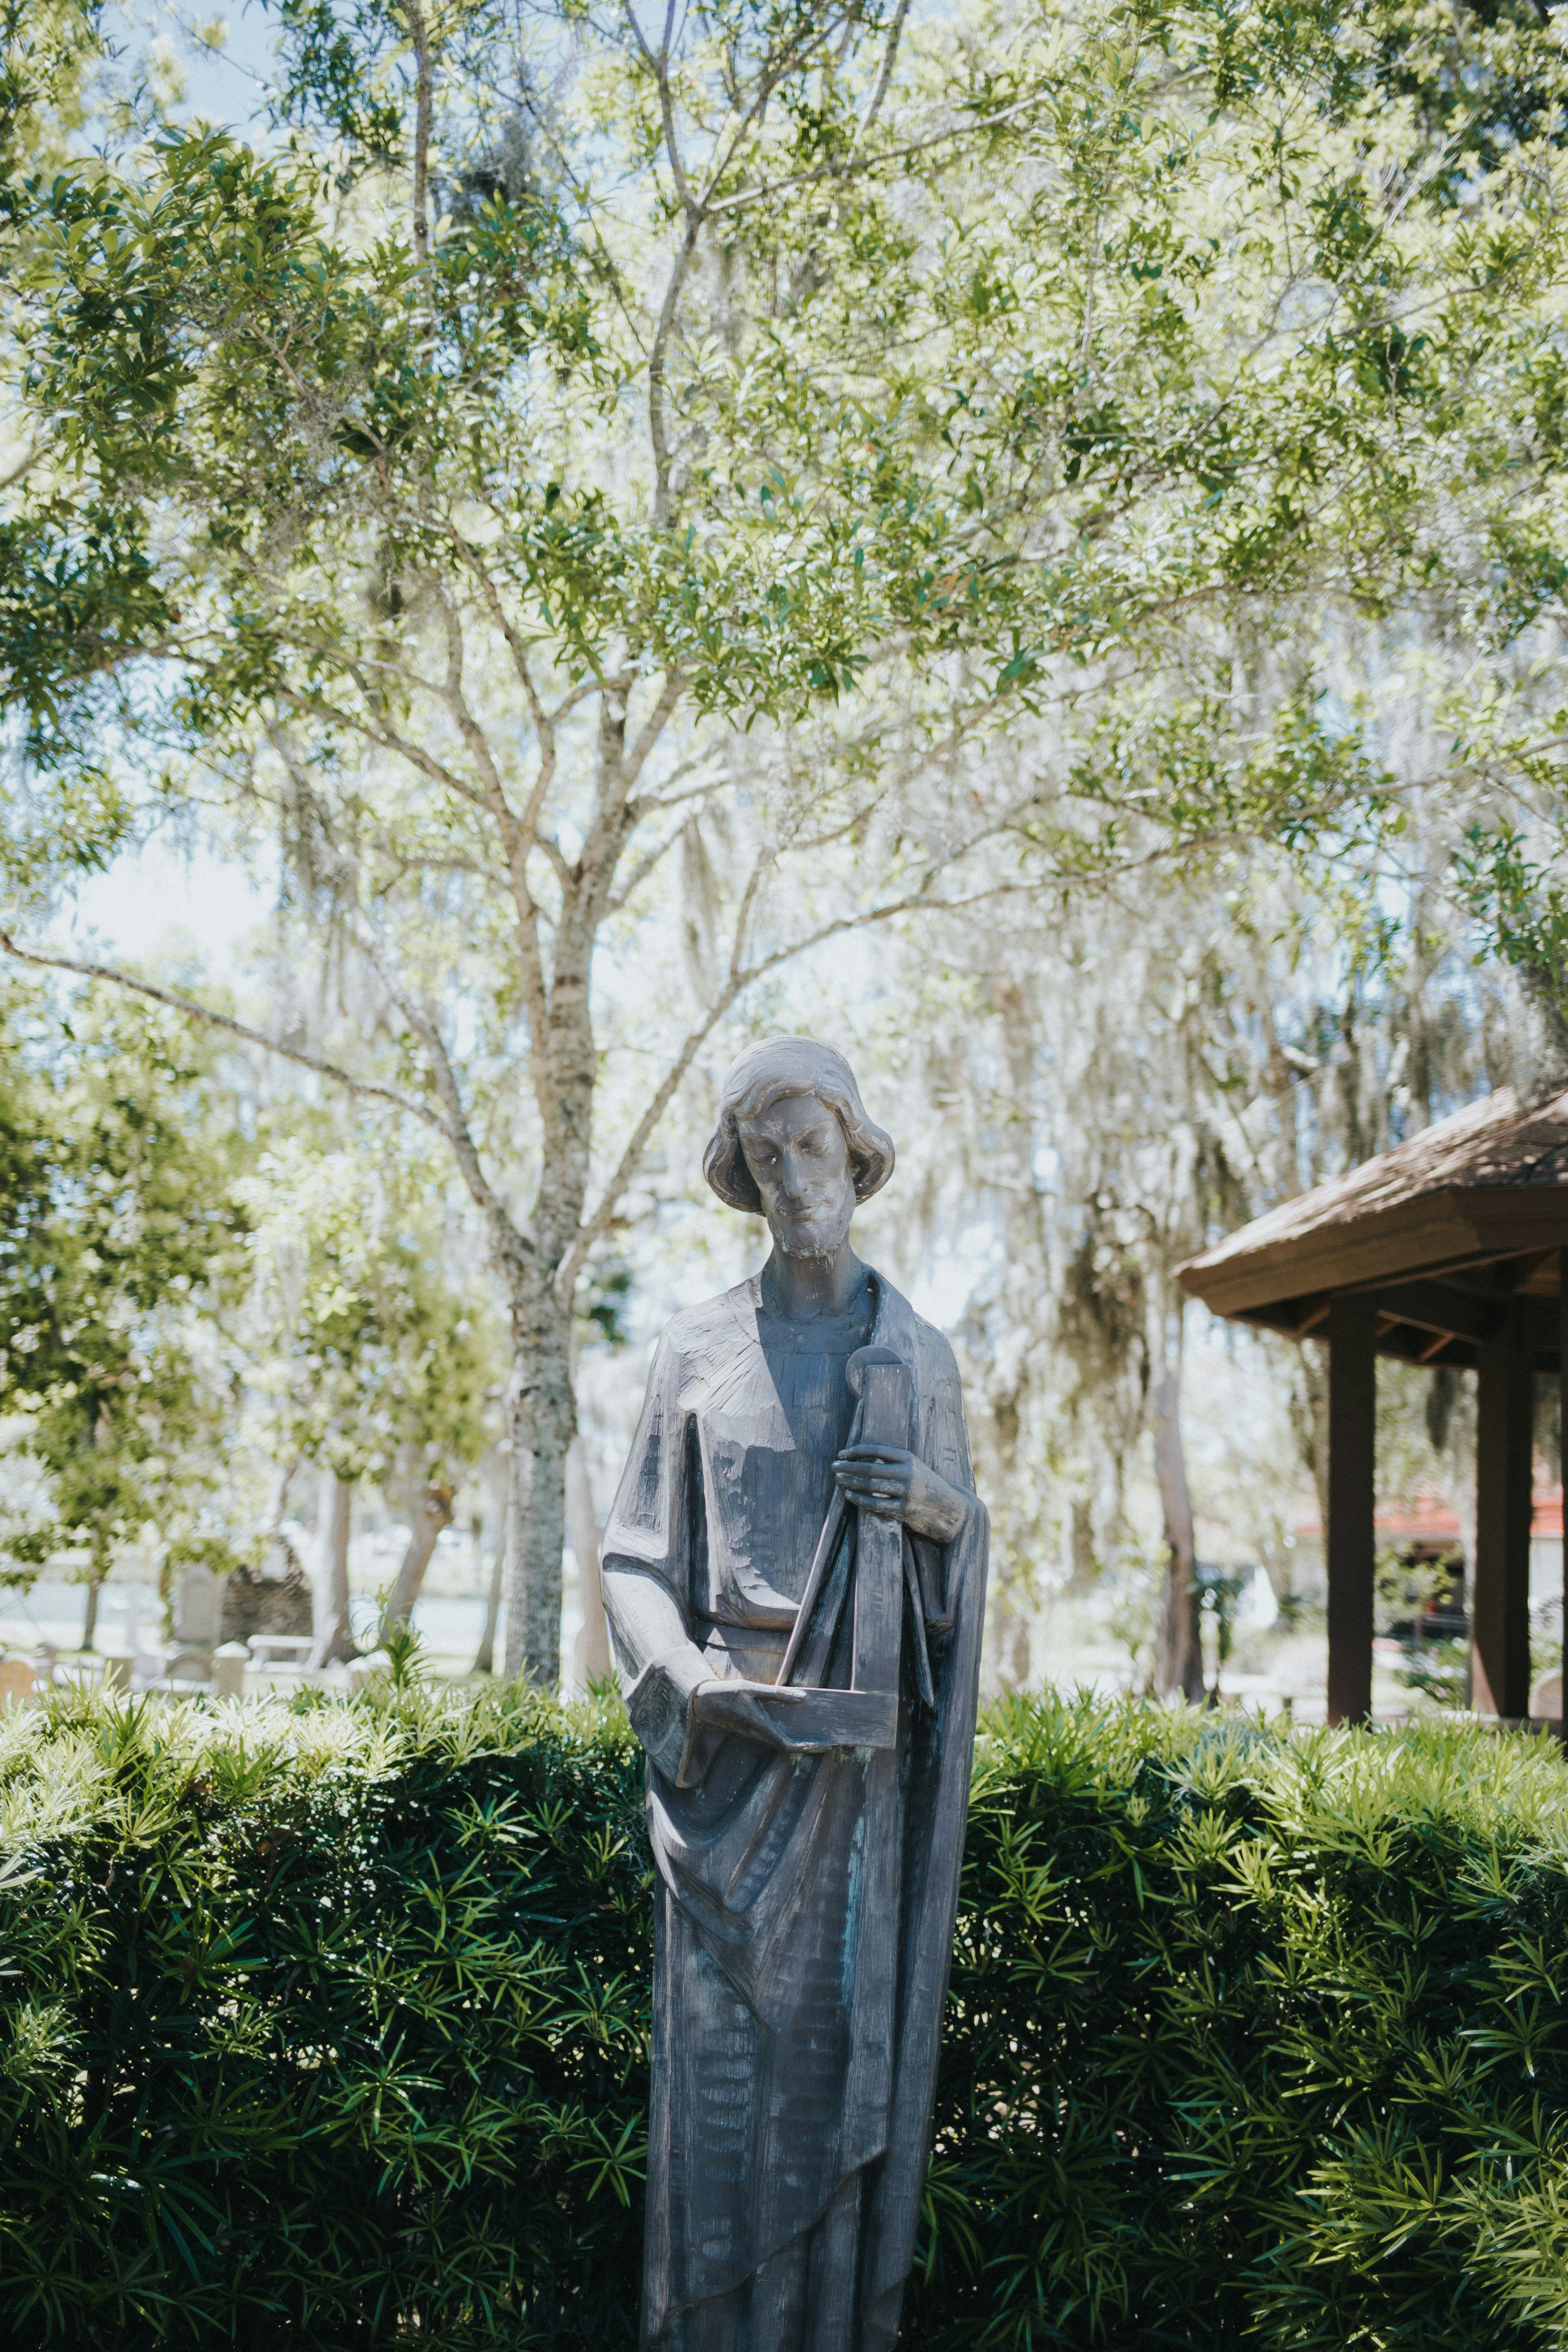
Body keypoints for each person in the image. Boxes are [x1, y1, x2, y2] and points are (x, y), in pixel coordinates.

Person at [601, 1035, 989, 2352]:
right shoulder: (696, 1349)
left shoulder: (915, 1356)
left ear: (858, 1154)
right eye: (764, 1157)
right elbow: (632, 1559)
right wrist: (695, 1685)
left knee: (834, 2088)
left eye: (810, 1146)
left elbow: (961, 1554)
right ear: (742, 1176)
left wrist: (941, 1512)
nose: (791, 1177)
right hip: (722, 1781)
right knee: (716, 2106)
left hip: (856, 1790)